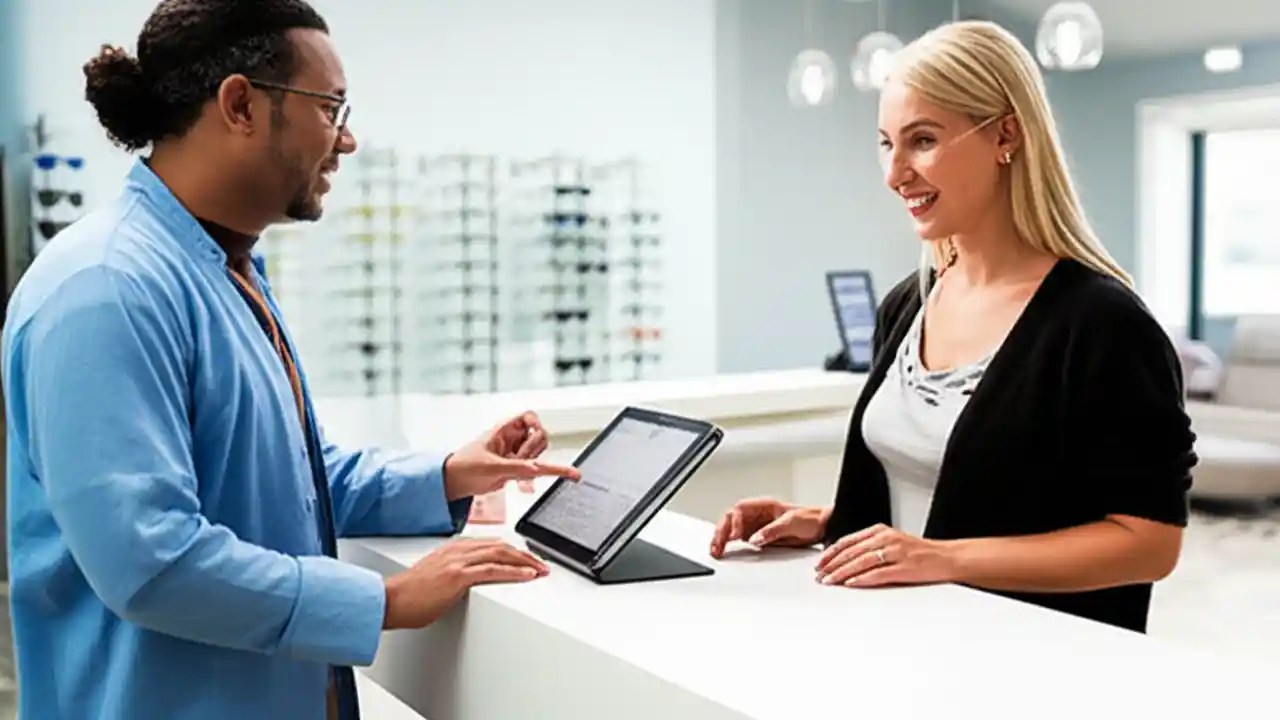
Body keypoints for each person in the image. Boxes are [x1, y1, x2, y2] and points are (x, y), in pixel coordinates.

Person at [0, 1, 581, 719]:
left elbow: (283, 485)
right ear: (240, 104)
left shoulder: (225, 270)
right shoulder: (107, 289)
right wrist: (386, 599)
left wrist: (445, 474)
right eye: (330, 108)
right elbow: (148, 561)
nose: (348, 139)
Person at [709, 20, 1197, 635]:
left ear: (1006, 136)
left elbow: (1149, 542)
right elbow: (958, 491)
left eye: (923, 140)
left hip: (1033, 662)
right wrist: (828, 520)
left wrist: (946, 559)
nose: (895, 173)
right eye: (887, 143)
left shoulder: (1104, 325)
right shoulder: (908, 304)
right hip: (909, 643)